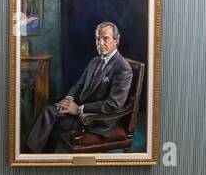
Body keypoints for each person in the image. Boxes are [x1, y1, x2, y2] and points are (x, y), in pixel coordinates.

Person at [25, 21, 133, 152]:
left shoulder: (123, 68)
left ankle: (31, 154)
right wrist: (69, 99)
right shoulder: (95, 61)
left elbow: (113, 105)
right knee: (48, 109)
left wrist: (79, 109)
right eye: (98, 39)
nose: (100, 43)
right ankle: (38, 154)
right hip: (78, 110)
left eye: (106, 39)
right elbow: (79, 84)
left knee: (49, 116)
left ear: (116, 41)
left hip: (97, 120)